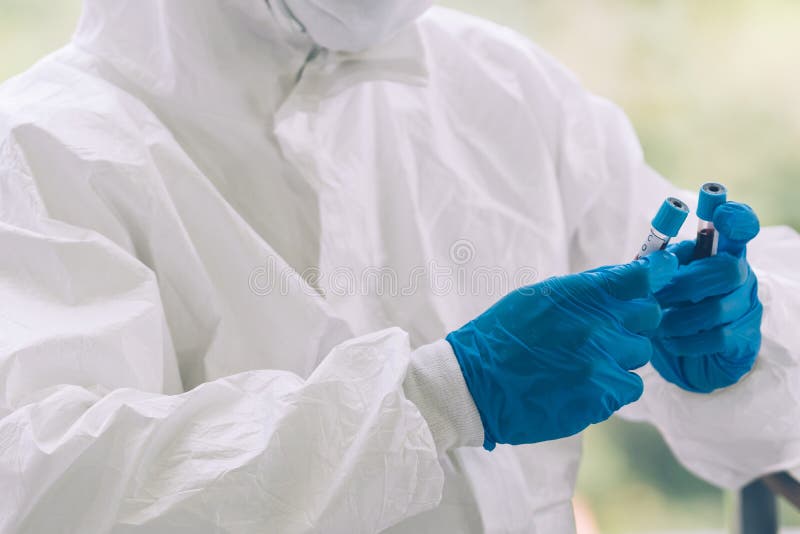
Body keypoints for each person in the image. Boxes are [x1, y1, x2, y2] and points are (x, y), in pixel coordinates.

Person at [0, 1, 798, 532]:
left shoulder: (492, 79)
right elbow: (54, 490)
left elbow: (685, 266)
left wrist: (733, 343)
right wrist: (442, 398)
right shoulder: (43, 151)